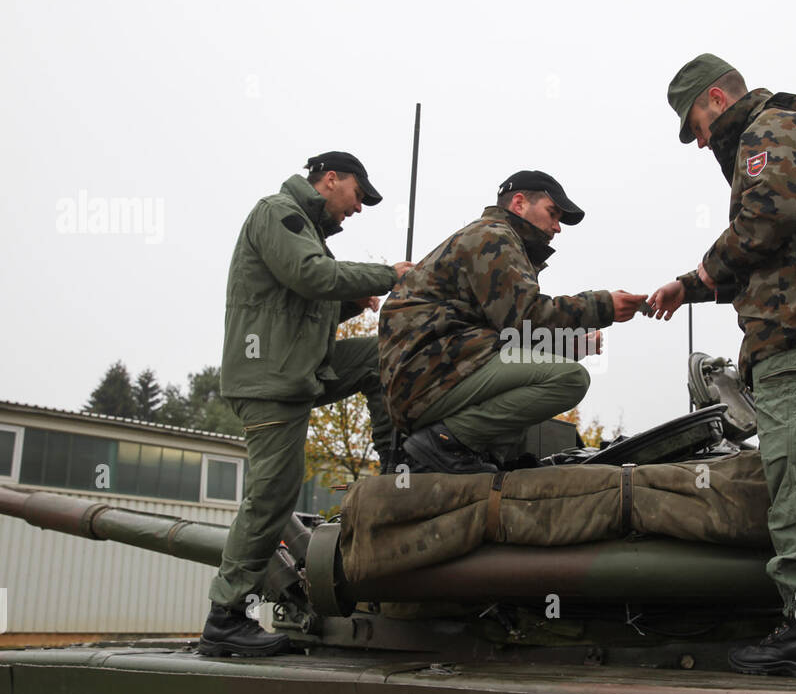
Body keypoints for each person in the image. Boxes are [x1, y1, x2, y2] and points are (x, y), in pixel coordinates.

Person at [648, 54, 796, 678]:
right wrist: (691, 287)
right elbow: (779, 241)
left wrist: (699, 273)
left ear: (715, 101)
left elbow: (769, 217)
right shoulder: (795, 126)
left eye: (695, 125)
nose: (700, 141)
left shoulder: (768, 129)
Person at [199, 152, 413, 657]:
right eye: (358, 195)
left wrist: (347, 304)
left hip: (298, 370)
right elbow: (311, 275)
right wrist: (388, 276)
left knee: (383, 354)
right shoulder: (278, 212)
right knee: (272, 495)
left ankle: (399, 461)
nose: (358, 209)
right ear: (330, 180)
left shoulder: (306, 234)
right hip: (269, 380)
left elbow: (305, 304)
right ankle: (226, 616)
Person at [380, 170, 645, 473]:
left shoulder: (495, 237)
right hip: (428, 377)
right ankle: (444, 442)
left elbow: (509, 328)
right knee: (570, 379)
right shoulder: (493, 236)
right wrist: (603, 305)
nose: (557, 227)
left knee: (542, 364)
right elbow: (523, 319)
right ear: (519, 203)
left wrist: (569, 343)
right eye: (552, 213)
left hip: (432, 372)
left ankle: (473, 450)